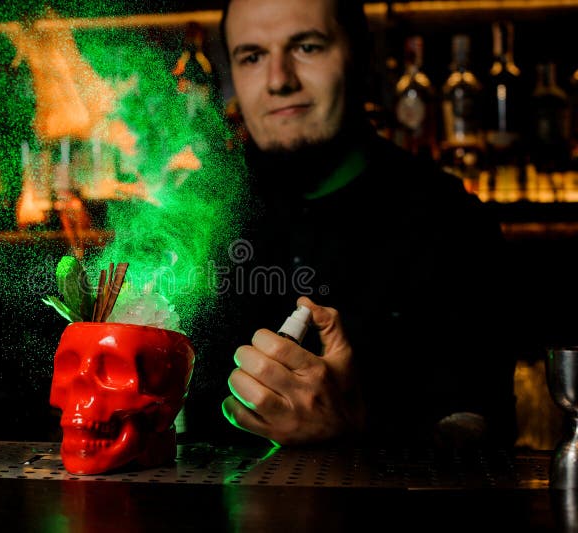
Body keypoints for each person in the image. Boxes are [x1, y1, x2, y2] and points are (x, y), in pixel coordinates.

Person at [182, 0, 520, 448]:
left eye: (306, 46)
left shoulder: (450, 222)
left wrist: (358, 428)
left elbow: (483, 429)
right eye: (253, 56)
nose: (279, 80)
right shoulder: (193, 213)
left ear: (361, 56)